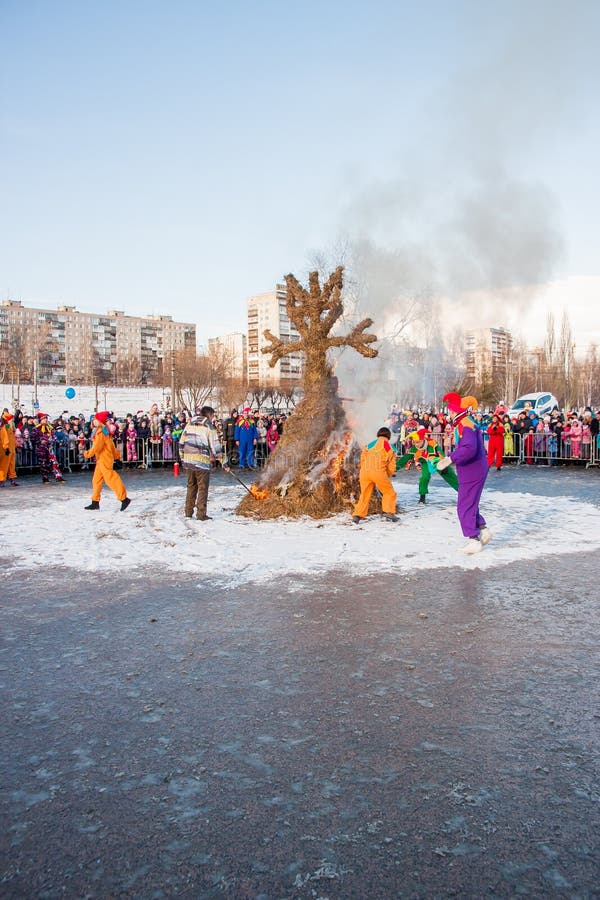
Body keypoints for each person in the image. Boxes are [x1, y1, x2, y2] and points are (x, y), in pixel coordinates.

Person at [437, 393, 490, 554]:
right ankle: (483, 529)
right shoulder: (466, 423)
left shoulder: (465, 424)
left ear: (457, 412)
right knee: (470, 502)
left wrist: (450, 458)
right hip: (474, 469)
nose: (450, 415)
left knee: (464, 505)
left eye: (451, 412)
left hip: (471, 470)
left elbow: (469, 448)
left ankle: (473, 539)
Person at [179, 405, 228, 520]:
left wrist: (182, 458)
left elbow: (181, 442)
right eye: (213, 416)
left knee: (191, 486)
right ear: (209, 415)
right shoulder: (209, 427)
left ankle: (188, 511)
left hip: (188, 460)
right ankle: (201, 514)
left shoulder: (190, 423)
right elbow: (215, 447)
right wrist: (224, 462)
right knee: (202, 487)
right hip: (201, 462)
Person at [396, 426, 458, 503]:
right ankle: (422, 497)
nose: (416, 444)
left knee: (449, 475)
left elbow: (441, 454)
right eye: (414, 442)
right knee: (424, 478)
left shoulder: (432, 444)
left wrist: (443, 464)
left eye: (418, 442)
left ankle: (463, 492)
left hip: (437, 460)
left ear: (423, 440)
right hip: (425, 463)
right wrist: (394, 468)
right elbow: (404, 460)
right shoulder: (414, 449)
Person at [83, 411, 130, 511]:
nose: (94, 421)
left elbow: (97, 447)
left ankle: (124, 498)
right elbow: (111, 445)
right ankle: (95, 502)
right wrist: (117, 457)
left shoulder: (101, 432)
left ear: (100, 421)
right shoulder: (104, 430)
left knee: (111, 479)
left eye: (95, 420)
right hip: (102, 459)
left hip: (104, 459)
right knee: (96, 480)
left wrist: (87, 454)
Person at [352, 426, 399, 524]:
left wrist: (363, 468)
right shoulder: (390, 447)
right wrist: (389, 474)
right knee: (389, 492)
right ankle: (389, 512)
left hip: (364, 472)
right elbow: (391, 465)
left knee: (364, 494)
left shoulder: (369, 445)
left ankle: (357, 515)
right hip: (378, 472)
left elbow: (363, 458)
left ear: (378, 434)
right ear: (389, 436)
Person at [0, 411, 18, 486]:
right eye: (11, 419)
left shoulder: (9, 427)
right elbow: (4, 438)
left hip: (12, 449)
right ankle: (1, 480)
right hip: (6, 449)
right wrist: (6, 447)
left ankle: (12, 479)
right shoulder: (4, 427)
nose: (12, 421)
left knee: (12, 465)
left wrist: (15, 446)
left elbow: (12, 438)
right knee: (4, 465)